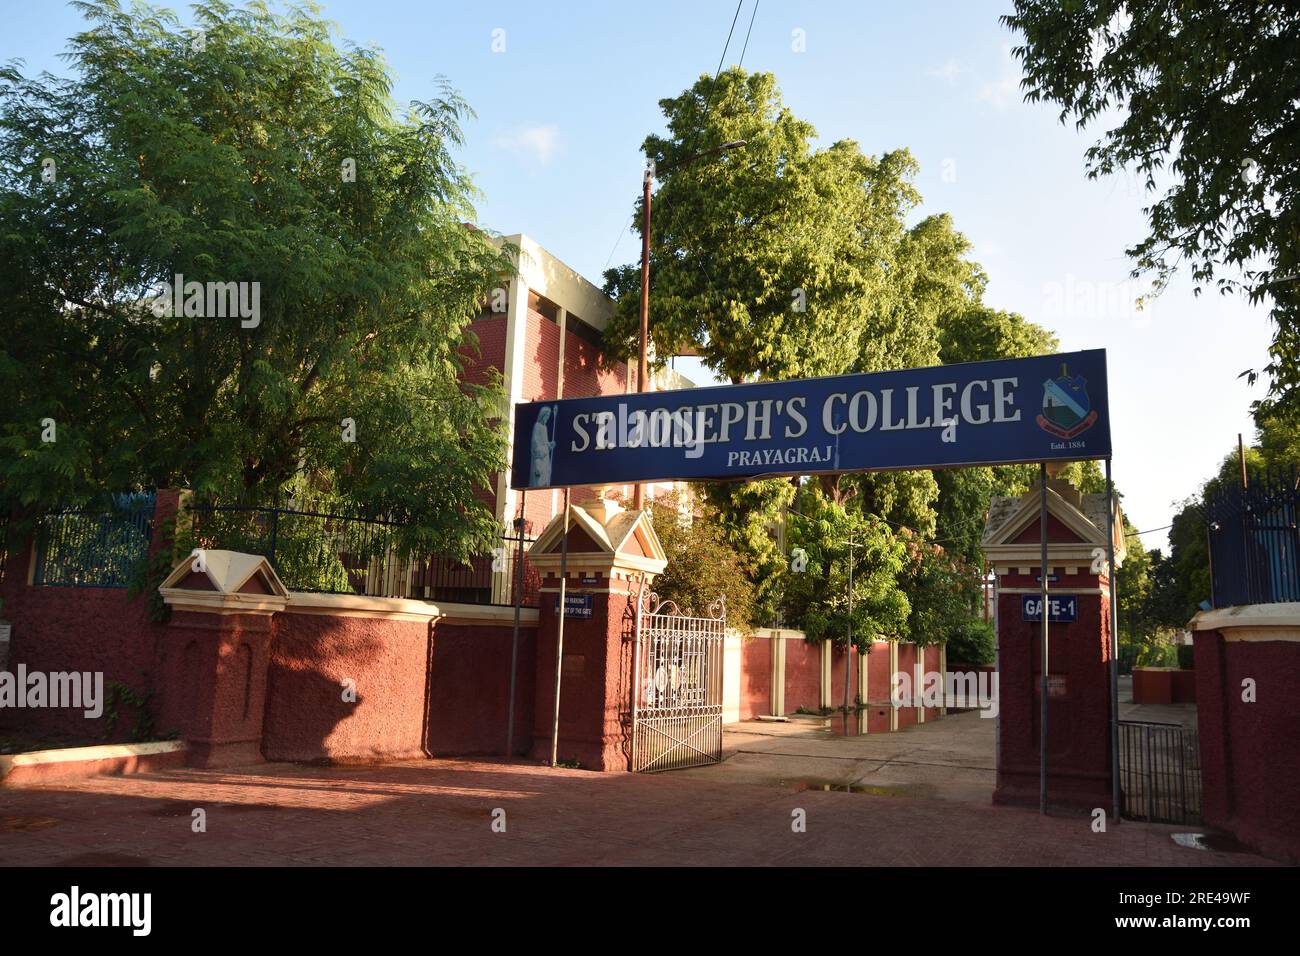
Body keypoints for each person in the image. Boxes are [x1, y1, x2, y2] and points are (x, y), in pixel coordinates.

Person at [530, 406, 555, 486]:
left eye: (548, 416)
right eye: (546, 415)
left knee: (546, 475)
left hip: (545, 456)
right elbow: (535, 441)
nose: (547, 418)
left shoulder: (545, 427)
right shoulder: (537, 426)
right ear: (542, 415)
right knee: (539, 478)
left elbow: (545, 442)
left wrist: (550, 444)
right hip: (540, 456)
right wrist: (542, 449)